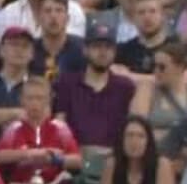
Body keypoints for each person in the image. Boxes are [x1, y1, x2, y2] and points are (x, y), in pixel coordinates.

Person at [54, 21, 134, 149]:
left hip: (112, 159)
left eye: (108, 47)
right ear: (85, 50)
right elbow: (60, 123)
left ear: (115, 52)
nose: (102, 52)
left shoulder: (125, 87)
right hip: (75, 156)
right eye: (97, 46)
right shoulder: (67, 83)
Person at [130, 39, 187, 142]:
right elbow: (136, 130)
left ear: (179, 67)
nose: (156, 71)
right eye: (154, 66)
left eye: (162, 67)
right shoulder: (147, 90)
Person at [102, 115, 173, 184]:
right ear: (122, 140)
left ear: (148, 141)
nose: (134, 141)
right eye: (130, 135)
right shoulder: (112, 164)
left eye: (141, 136)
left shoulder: (162, 165)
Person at [30, 0, 85, 80]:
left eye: (59, 10)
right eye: (48, 11)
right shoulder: (30, 50)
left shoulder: (82, 49)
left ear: (67, 19)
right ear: (39, 18)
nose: (53, 16)